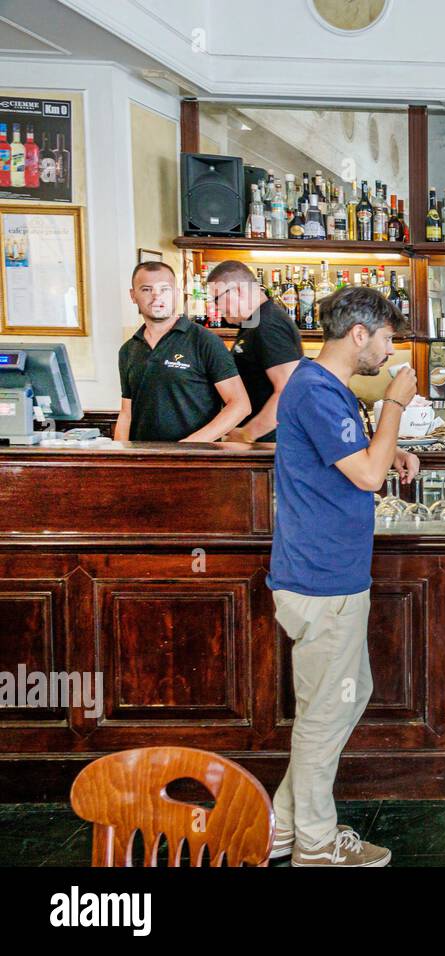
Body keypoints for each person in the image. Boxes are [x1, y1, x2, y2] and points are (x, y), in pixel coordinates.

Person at [266, 285, 419, 867]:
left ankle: (283, 826)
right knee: (326, 713)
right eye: (385, 338)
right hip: (321, 580)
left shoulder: (322, 388)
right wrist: (395, 407)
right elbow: (367, 476)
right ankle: (316, 843)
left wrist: (389, 447)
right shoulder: (319, 391)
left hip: (329, 575)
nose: (387, 351)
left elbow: (362, 462)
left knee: (344, 700)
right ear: (359, 334)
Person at [115, 261, 250, 442]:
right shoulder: (128, 350)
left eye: (165, 289)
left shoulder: (204, 341)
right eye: (146, 289)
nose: (156, 297)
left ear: (177, 294)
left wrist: (189, 447)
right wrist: (119, 457)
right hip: (144, 462)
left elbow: (240, 405)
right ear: (133, 295)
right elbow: (126, 414)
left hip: (195, 462)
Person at [206, 260, 303, 442]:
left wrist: (247, 434)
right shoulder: (254, 322)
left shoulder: (268, 324)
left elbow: (290, 391)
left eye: (217, 298)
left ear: (239, 290)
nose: (215, 307)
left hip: (273, 447)